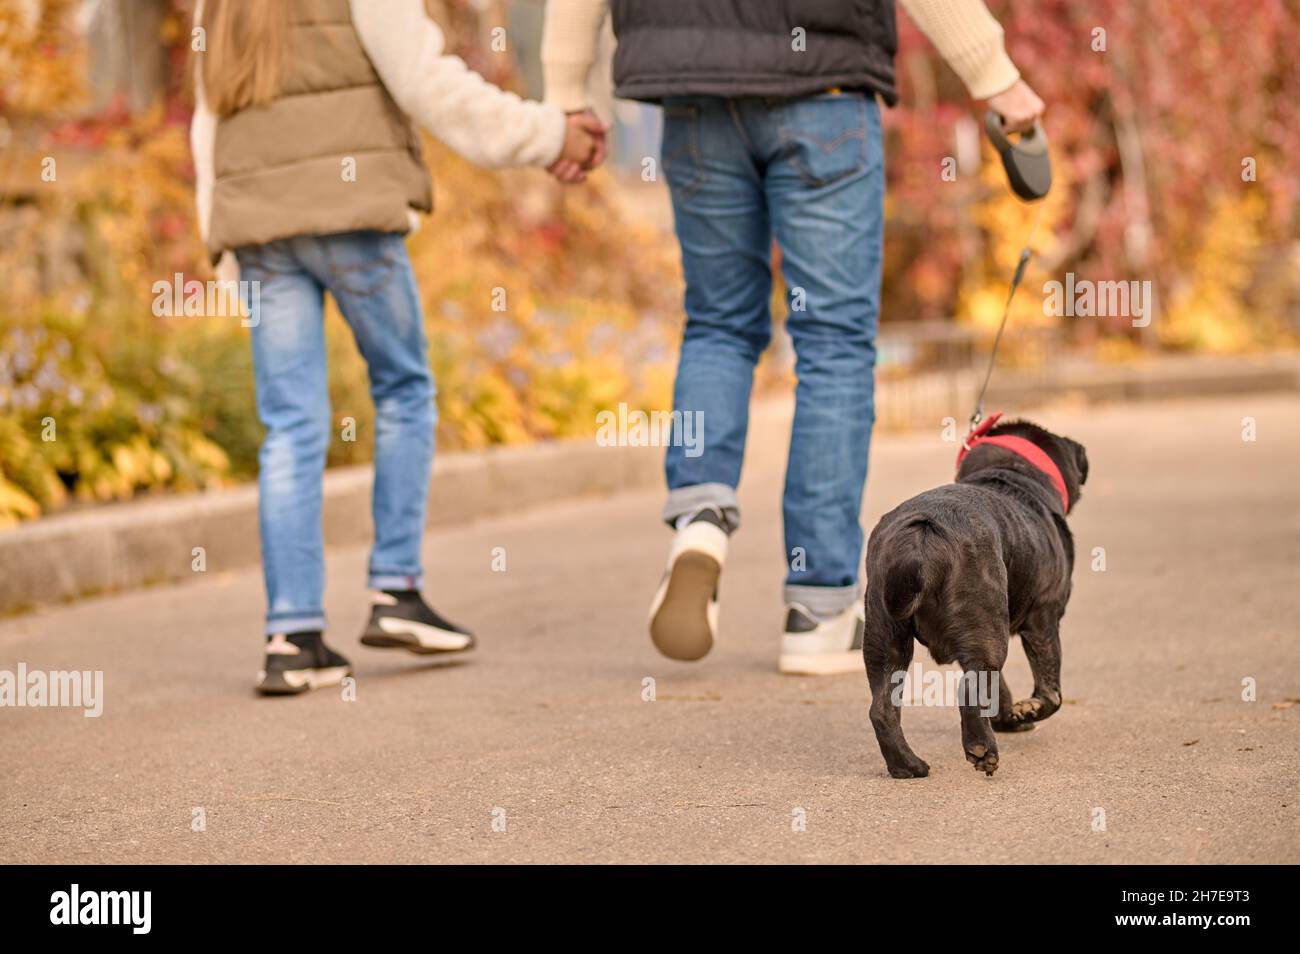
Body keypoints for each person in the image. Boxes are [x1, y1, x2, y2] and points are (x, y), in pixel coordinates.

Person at [542, 0, 1045, 674]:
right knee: (833, 343)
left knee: (719, 324)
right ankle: (818, 604)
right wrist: (996, 76)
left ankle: (701, 515)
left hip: (697, 97)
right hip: (824, 92)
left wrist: (565, 95)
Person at [190, 0, 605, 695]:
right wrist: (545, 133)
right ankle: (395, 590)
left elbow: (207, 121)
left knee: (289, 426)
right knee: (404, 389)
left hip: (259, 230)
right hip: (353, 218)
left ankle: (292, 637)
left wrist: (222, 245)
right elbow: (427, 85)